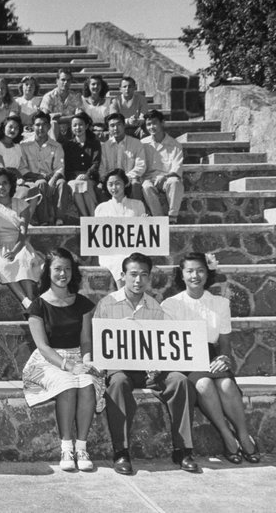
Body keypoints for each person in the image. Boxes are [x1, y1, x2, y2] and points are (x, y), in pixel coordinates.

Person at [94, 253, 200, 475]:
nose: (137, 280)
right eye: (133, 274)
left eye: (143, 275)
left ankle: (183, 450)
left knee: (180, 381)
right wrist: (118, 331)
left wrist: (159, 363)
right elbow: (99, 345)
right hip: (120, 367)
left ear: (149, 278)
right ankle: (121, 452)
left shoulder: (155, 307)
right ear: (123, 276)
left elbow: (164, 345)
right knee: (118, 383)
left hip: (149, 369)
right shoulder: (107, 304)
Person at [161, 253, 260, 464]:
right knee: (205, 385)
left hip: (212, 355)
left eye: (200, 270)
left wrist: (224, 358)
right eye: (189, 271)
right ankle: (227, 436)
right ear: (182, 274)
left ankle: (243, 434)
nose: (195, 275)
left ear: (208, 273)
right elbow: (169, 345)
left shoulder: (220, 303)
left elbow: (224, 342)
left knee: (225, 385)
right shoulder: (170, 305)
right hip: (187, 358)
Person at [22, 248, 101, 471]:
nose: (63, 273)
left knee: (86, 383)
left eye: (67, 268)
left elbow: (86, 340)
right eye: (58, 269)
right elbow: (43, 347)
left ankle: (82, 447)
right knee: (66, 384)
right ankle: (66, 447)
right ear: (48, 271)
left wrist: (86, 361)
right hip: (48, 361)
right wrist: (68, 366)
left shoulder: (82, 303)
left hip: (78, 355)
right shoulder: (37, 305)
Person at [0, 168, 41, 310]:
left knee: (23, 260)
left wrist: (15, 251)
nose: (1, 187)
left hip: (19, 244)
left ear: (11, 185)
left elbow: (23, 233)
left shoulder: (22, 205)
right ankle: (26, 301)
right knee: (3, 264)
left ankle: (32, 301)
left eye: (5, 183)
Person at [94, 169, 147, 289]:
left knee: (130, 260)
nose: (114, 187)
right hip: (110, 253)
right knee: (121, 261)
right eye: (110, 184)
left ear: (125, 184)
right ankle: (124, 293)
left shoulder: (138, 205)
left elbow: (143, 234)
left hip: (132, 249)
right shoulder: (101, 208)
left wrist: (144, 222)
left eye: (117, 183)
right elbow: (99, 235)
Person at [19, 111, 66, 225]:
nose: (41, 128)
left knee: (62, 183)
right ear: (32, 127)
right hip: (32, 178)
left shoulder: (56, 146)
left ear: (49, 126)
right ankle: (44, 220)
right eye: (37, 125)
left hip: (51, 177)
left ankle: (59, 218)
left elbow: (60, 168)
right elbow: (23, 168)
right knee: (41, 183)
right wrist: (39, 176)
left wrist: (53, 180)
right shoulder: (24, 145)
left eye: (44, 124)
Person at [141, 110, 184, 224]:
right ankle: (159, 220)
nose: (151, 127)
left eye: (154, 123)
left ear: (162, 123)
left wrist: (164, 177)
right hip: (149, 178)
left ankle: (172, 217)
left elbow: (176, 168)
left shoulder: (175, 145)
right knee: (146, 187)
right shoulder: (143, 144)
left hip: (167, 178)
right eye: (148, 124)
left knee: (175, 182)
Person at [0, 114, 39, 215]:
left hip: (17, 177)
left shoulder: (17, 147)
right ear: (4, 128)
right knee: (23, 191)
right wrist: (15, 180)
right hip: (2, 179)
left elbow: (20, 167)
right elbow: (1, 167)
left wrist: (35, 176)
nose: (13, 130)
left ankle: (26, 220)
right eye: (10, 127)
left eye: (16, 128)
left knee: (34, 188)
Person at [100, 112, 147, 201]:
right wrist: (108, 179)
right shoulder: (104, 147)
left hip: (130, 179)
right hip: (111, 181)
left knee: (135, 184)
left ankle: (138, 213)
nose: (116, 128)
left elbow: (141, 166)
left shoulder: (136, 143)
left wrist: (124, 179)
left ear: (124, 125)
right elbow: (101, 167)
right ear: (108, 128)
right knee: (99, 187)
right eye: (112, 125)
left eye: (119, 124)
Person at [62, 111, 101, 218]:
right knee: (75, 185)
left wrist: (87, 175)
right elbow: (66, 165)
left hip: (90, 176)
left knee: (86, 185)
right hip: (73, 177)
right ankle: (84, 217)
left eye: (80, 125)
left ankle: (93, 216)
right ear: (71, 127)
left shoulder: (94, 143)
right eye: (74, 125)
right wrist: (75, 177)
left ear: (86, 126)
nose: (77, 128)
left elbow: (96, 162)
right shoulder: (68, 145)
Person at [40, 69, 81, 141]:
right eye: (63, 80)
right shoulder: (49, 97)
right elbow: (45, 117)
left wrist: (57, 116)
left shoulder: (76, 97)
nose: (65, 82)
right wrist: (70, 118)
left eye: (68, 80)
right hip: (52, 132)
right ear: (57, 81)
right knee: (53, 123)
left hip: (71, 130)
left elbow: (80, 116)